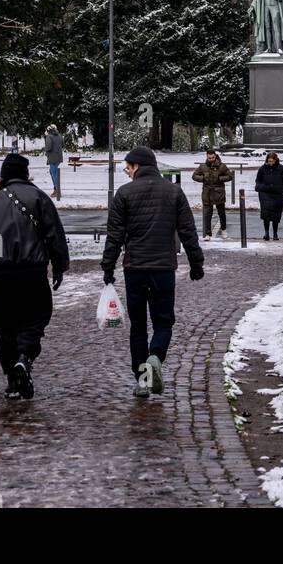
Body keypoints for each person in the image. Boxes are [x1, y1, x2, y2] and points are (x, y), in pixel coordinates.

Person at [101, 145, 204, 398]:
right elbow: (188, 231)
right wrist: (196, 263)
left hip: (134, 268)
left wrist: (108, 267)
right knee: (164, 321)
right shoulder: (174, 192)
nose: (127, 171)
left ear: (137, 166)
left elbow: (115, 236)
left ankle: (142, 381)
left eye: (128, 167)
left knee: (138, 326)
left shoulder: (124, 193)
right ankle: (156, 356)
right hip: (163, 268)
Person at [0, 152, 69, 400]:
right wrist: (59, 265)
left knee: (4, 328)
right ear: (25, 174)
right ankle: (24, 357)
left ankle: (12, 381)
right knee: (36, 318)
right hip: (31, 272)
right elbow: (54, 234)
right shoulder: (38, 198)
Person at [192, 148, 233, 239]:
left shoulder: (222, 166)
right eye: (209, 158)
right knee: (207, 214)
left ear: (215, 156)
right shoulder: (203, 166)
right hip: (207, 193)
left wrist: (220, 179)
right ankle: (208, 234)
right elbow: (194, 176)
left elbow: (230, 176)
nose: (211, 159)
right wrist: (203, 178)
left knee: (221, 213)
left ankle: (223, 229)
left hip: (219, 192)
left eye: (213, 157)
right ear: (207, 156)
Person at [255, 150, 283, 239]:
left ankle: (275, 233)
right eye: (269, 161)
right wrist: (261, 187)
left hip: (277, 194)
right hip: (265, 194)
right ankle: (266, 233)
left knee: (276, 215)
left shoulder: (281, 169)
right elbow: (258, 180)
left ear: (275, 160)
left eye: (272, 161)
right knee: (266, 214)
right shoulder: (262, 168)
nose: (270, 163)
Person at [44, 123, 64, 201]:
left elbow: (48, 147)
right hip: (59, 157)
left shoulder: (49, 136)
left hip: (52, 157)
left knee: (53, 173)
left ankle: (57, 190)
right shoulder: (60, 135)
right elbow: (63, 145)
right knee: (53, 171)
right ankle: (56, 189)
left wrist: (45, 149)